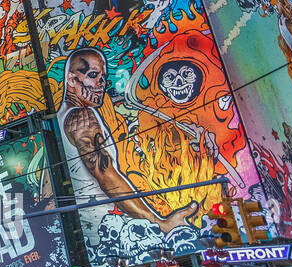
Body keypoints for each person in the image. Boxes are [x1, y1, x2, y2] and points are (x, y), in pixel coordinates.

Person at [57, 48, 197, 235]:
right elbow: (106, 176)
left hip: (100, 227)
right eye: (93, 75)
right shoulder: (80, 118)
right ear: (72, 80)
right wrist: (158, 223)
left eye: (103, 76)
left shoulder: (62, 118)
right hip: (110, 228)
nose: (101, 83)